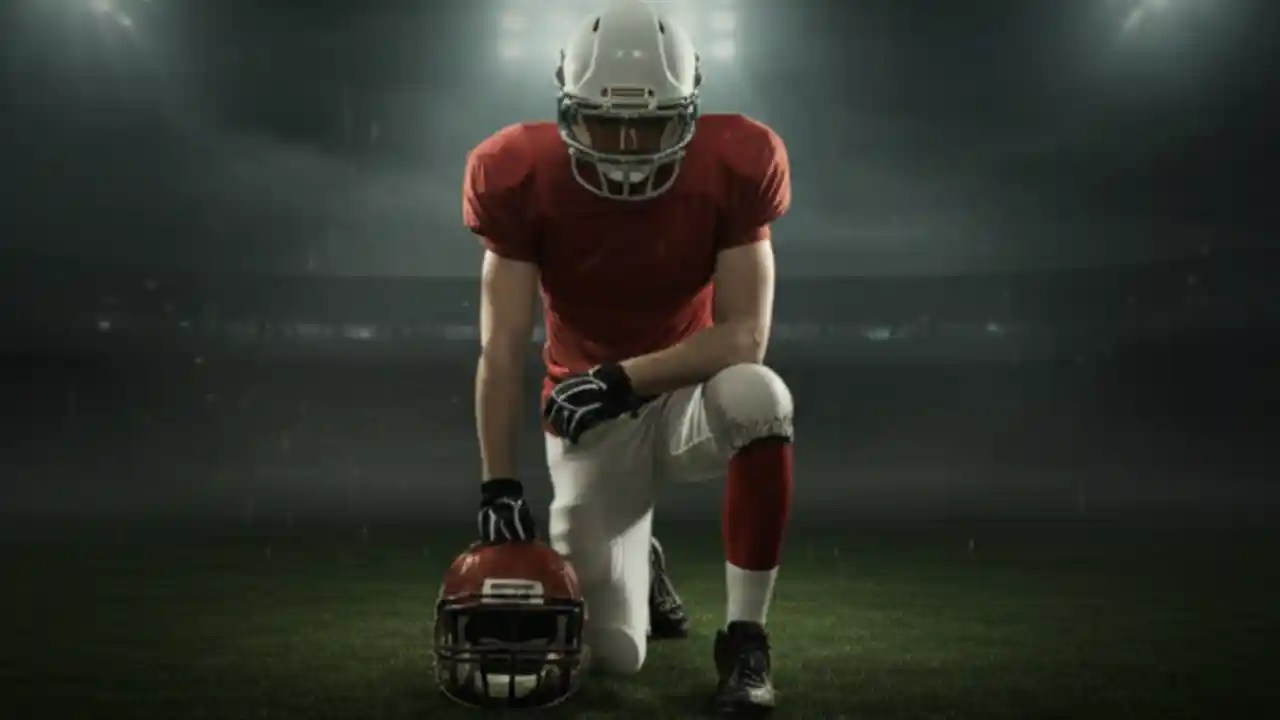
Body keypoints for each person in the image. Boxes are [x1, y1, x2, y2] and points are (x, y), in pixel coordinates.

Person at [464, 1, 794, 714]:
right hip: (592, 421)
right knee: (616, 653)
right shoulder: (515, 170)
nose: (624, 144)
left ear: (689, 111)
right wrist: (498, 483)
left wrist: (622, 377)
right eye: (604, 120)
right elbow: (500, 346)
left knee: (761, 395)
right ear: (564, 107)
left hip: (684, 398)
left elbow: (745, 339)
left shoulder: (737, 160)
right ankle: (640, 561)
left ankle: (745, 640)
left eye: (646, 123)